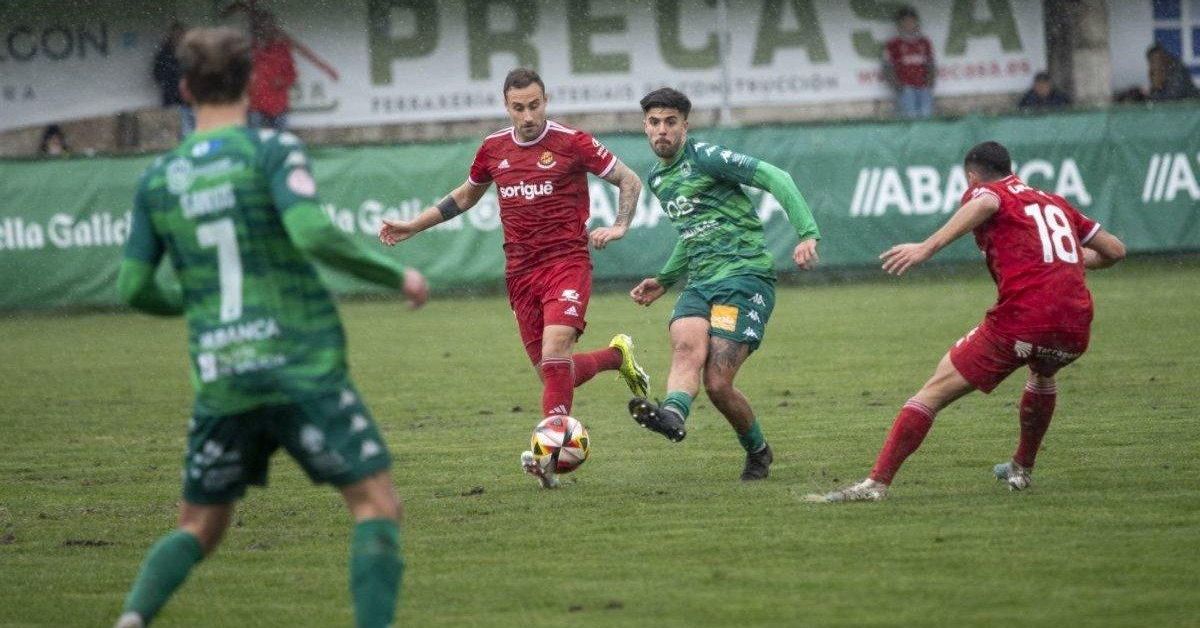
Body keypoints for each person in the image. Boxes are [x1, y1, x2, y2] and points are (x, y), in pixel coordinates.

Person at [113, 27, 427, 628]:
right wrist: (396, 276)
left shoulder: (157, 178)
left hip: (223, 375)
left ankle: (131, 620)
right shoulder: (271, 151)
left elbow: (133, 288)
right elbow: (311, 232)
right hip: (300, 365)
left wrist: (193, 303)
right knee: (375, 505)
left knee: (199, 526)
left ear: (183, 89)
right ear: (253, 82)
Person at [810, 141, 1126, 503]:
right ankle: (1021, 469)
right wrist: (1057, 260)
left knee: (933, 392)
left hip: (1023, 320)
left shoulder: (988, 194)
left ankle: (875, 484)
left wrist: (925, 247)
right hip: (1075, 326)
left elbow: (988, 202)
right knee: (1042, 373)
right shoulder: (1054, 201)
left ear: (972, 176)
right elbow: (1115, 250)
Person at [378, 68, 648, 490]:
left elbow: (627, 179)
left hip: (566, 263)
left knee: (556, 349)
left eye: (534, 105)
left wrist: (619, 224)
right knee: (553, 372)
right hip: (521, 273)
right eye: (518, 108)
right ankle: (617, 356)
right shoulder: (493, 149)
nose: (527, 116)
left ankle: (548, 455)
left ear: (546, 100)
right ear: (506, 106)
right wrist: (415, 225)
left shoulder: (572, 142)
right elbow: (466, 195)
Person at [627, 88, 821, 481]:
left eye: (670, 122)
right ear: (644, 126)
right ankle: (672, 415)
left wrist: (807, 232)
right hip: (700, 282)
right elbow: (692, 232)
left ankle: (758, 451)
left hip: (744, 277)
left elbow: (775, 176)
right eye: (654, 123)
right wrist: (665, 279)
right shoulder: (658, 179)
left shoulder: (707, 158)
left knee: (718, 382)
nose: (661, 130)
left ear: (685, 125)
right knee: (685, 348)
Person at [883, 6, 936, 119]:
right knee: (909, 117)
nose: (909, 24)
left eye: (912, 21)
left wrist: (929, 82)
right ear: (899, 24)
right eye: (905, 21)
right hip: (906, 88)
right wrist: (898, 86)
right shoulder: (893, 44)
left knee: (927, 116)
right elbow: (887, 67)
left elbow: (931, 64)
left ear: (917, 23)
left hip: (923, 86)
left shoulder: (924, 42)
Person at [248, 12, 296, 130]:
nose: (264, 30)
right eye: (261, 27)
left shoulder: (281, 50)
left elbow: (292, 74)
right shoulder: (249, 51)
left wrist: (283, 81)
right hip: (255, 105)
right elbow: (241, 75)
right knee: (256, 141)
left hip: (277, 104)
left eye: (268, 27)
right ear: (256, 29)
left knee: (281, 140)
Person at [152, 21, 194, 137]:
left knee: (191, 129)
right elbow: (158, 74)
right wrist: (170, 84)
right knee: (179, 132)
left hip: (190, 99)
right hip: (172, 98)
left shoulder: (190, 53)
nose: (179, 37)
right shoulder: (165, 53)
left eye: (181, 34)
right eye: (176, 34)